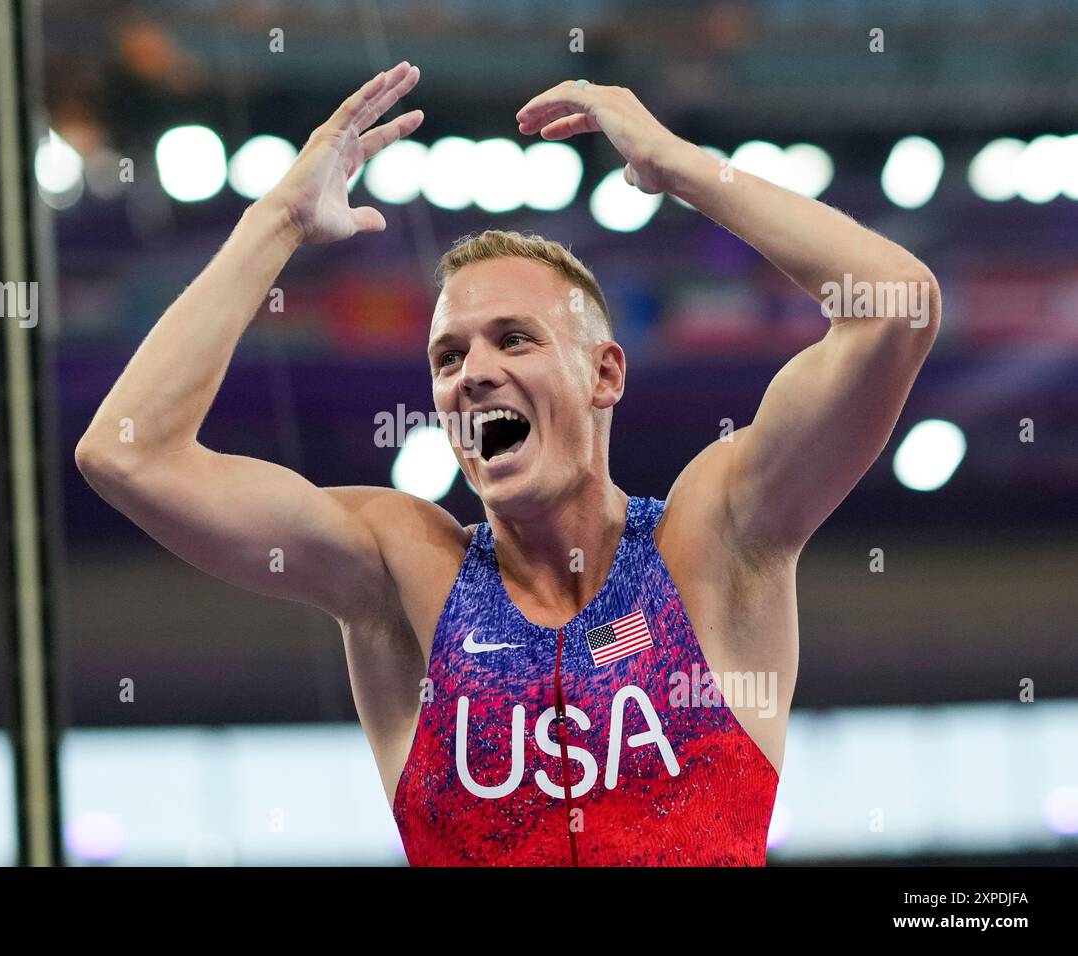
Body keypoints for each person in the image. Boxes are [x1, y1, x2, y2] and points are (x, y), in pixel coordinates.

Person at [74, 61, 941, 865]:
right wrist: (276, 222)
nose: (473, 373)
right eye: (447, 359)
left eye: (513, 339)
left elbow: (896, 309)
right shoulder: (404, 571)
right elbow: (129, 457)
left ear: (605, 373)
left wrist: (679, 168)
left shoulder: (714, 541)